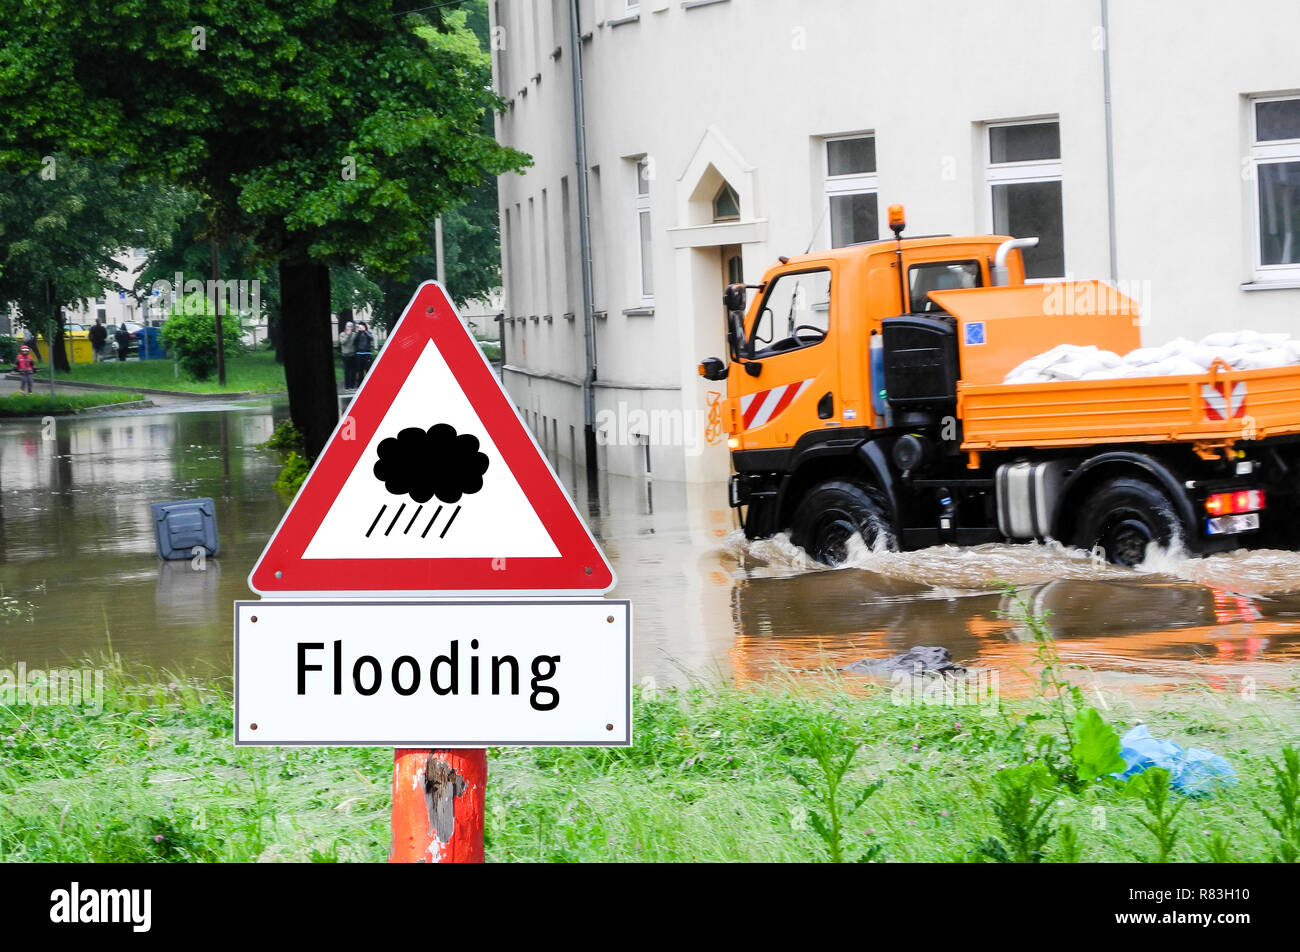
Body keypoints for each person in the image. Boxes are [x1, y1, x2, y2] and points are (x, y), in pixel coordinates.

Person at [339, 320, 357, 390]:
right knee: (346, 371)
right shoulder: (342, 334)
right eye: (349, 326)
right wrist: (347, 335)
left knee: (353, 371)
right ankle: (347, 387)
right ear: (346, 327)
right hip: (345, 356)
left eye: (351, 326)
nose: (350, 327)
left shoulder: (354, 334)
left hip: (353, 355)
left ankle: (352, 386)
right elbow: (342, 342)